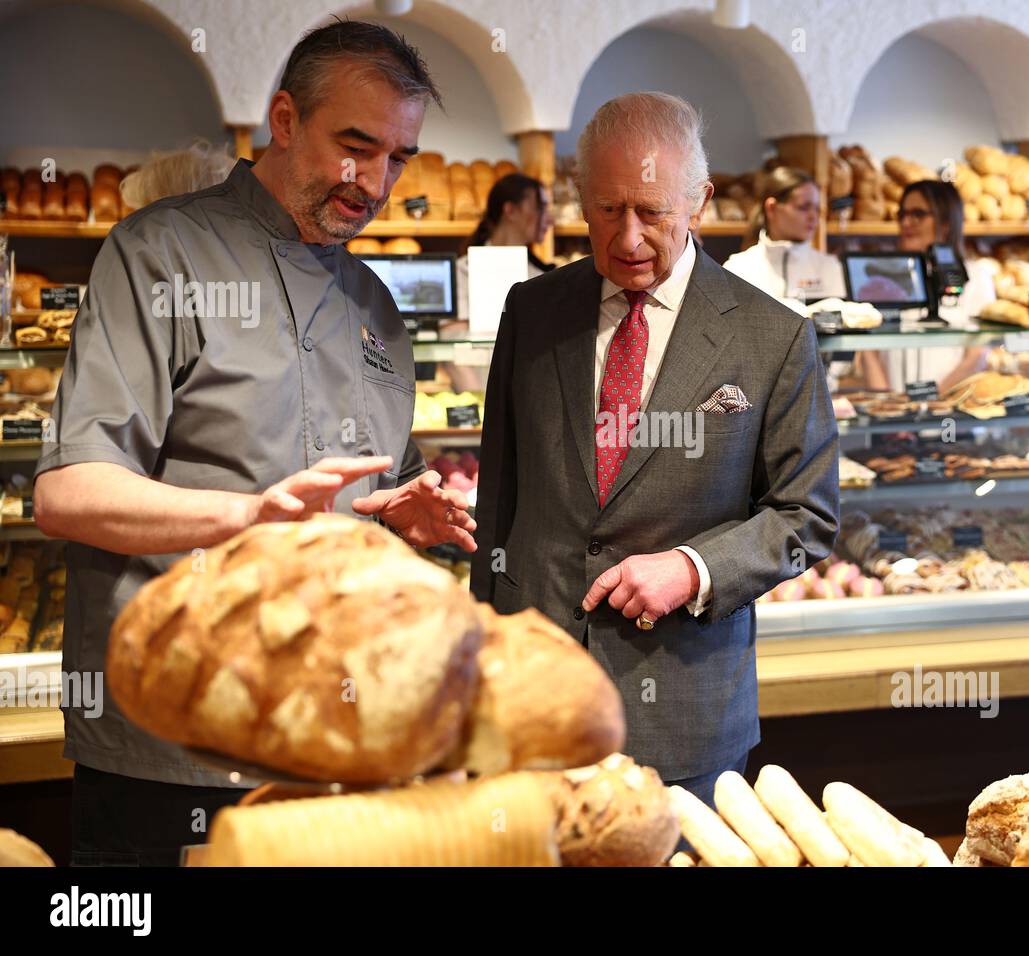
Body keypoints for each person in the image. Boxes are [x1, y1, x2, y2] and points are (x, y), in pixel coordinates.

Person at [32, 19, 476, 866]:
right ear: (283, 119)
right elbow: (68, 491)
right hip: (171, 741)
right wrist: (249, 513)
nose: (374, 181)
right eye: (355, 145)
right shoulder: (160, 252)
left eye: (399, 158)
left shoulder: (376, 306)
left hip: (328, 744)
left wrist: (401, 509)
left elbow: (363, 482)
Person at [470, 92, 839, 808]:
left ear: (698, 201)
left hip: (683, 713)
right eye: (607, 211)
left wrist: (694, 568)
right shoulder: (533, 311)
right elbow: (500, 497)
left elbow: (808, 516)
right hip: (534, 704)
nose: (629, 238)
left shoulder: (774, 338)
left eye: (652, 211)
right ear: (579, 200)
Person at [856, 179, 998, 393]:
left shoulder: (976, 277)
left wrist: (931, 405)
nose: (906, 223)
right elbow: (868, 350)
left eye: (918, 214)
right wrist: (890, 410)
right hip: (892, 419)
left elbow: (977, 356)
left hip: (951, 417)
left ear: (946, 222)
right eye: (902, 214)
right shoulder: (886, 277)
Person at [723, 166, 845, 307]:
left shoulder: (830, 267)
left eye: (817, 209)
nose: (814, 217)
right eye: (803, 207)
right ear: (772, 208)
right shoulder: (739, 268)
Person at [455, 172, 554, 320]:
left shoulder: (542, 276)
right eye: (540, 208)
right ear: (510, 210)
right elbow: (451, 329)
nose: (550, 219)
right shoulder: (463, 271)